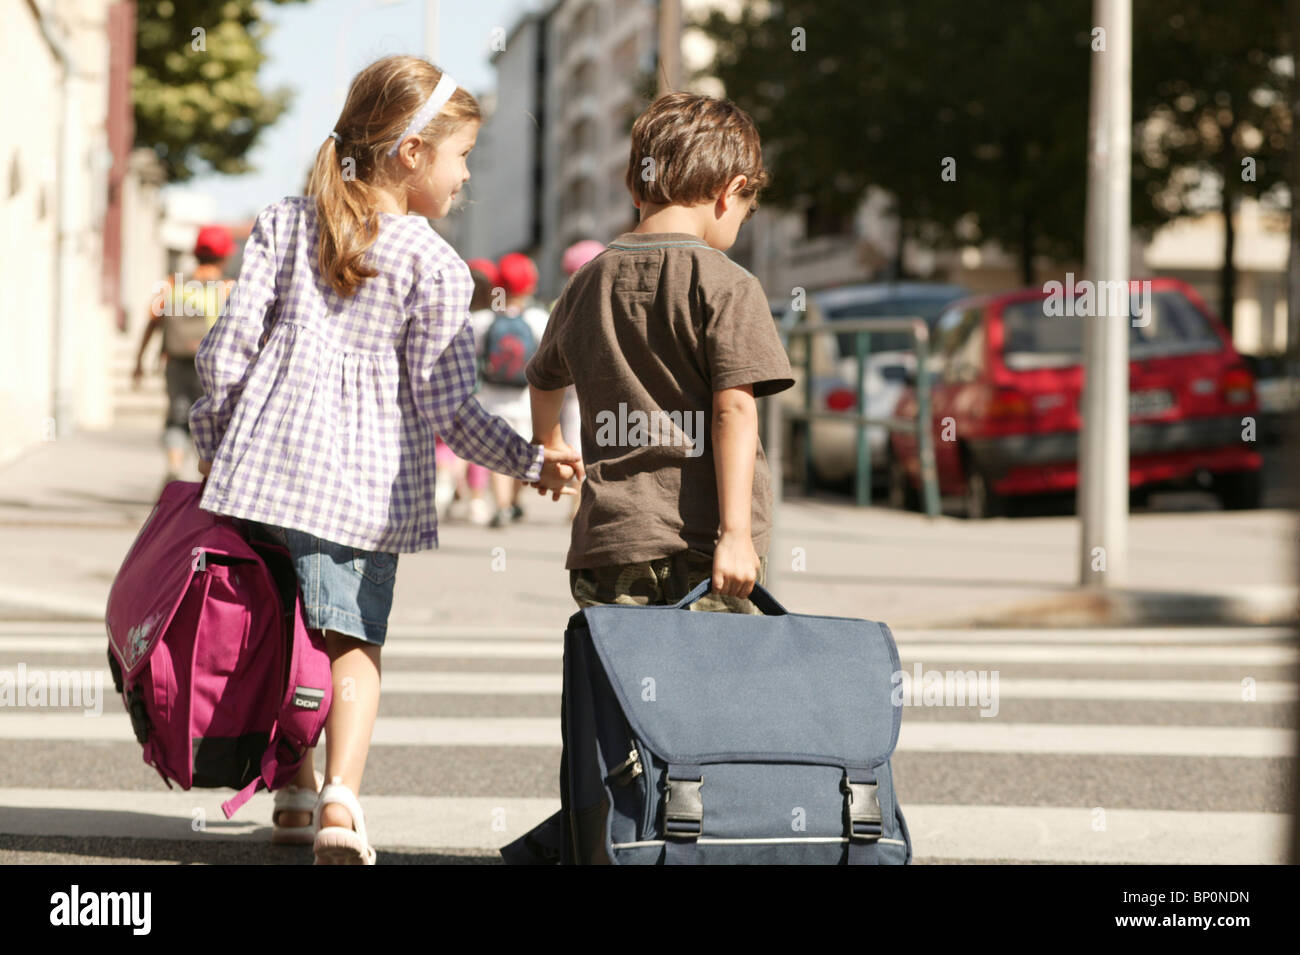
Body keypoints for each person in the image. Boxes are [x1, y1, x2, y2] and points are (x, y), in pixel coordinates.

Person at [188, 54, 580, 865]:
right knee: (350, 647)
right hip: (361, 495)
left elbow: (224, 355)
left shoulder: (284, 223)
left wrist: (214, 448)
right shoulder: (436, 265)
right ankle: (340, 797)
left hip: (259, 476)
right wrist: (529, 459)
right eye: (461, 154)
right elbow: (448, 408)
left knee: (286, 640)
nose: (466, 173)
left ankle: (290, 794)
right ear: (410, 153)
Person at [525, 90, 794, 613]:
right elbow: (735, 409)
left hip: (610, 541)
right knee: (712, 689)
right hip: (705, 542)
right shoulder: (729, 284)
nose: (740, 223)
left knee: (623, 690)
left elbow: (543, 379)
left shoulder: (587, 281)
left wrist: (549, 445)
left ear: (633, 185)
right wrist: (736, 533)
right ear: (730, 191)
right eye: (747, 209)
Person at [133, 226, 234, 483]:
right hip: (213, 367)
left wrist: (139, 362)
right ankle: (208, 480)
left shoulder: (172, 285)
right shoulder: (228, 290)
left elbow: (152, 322)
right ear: (225, 256)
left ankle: (175, 468)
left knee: (177, 418)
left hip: (176, 362)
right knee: (214, 422)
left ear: (195, 253)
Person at [470, 251, 550, 528]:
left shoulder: (482, 321)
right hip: (525, 399)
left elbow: (473, 356)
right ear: (530, 285)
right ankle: (514, 502)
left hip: (491, 398)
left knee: (497, 455)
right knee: (523, 454)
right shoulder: (538, 319)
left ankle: (502, 505)